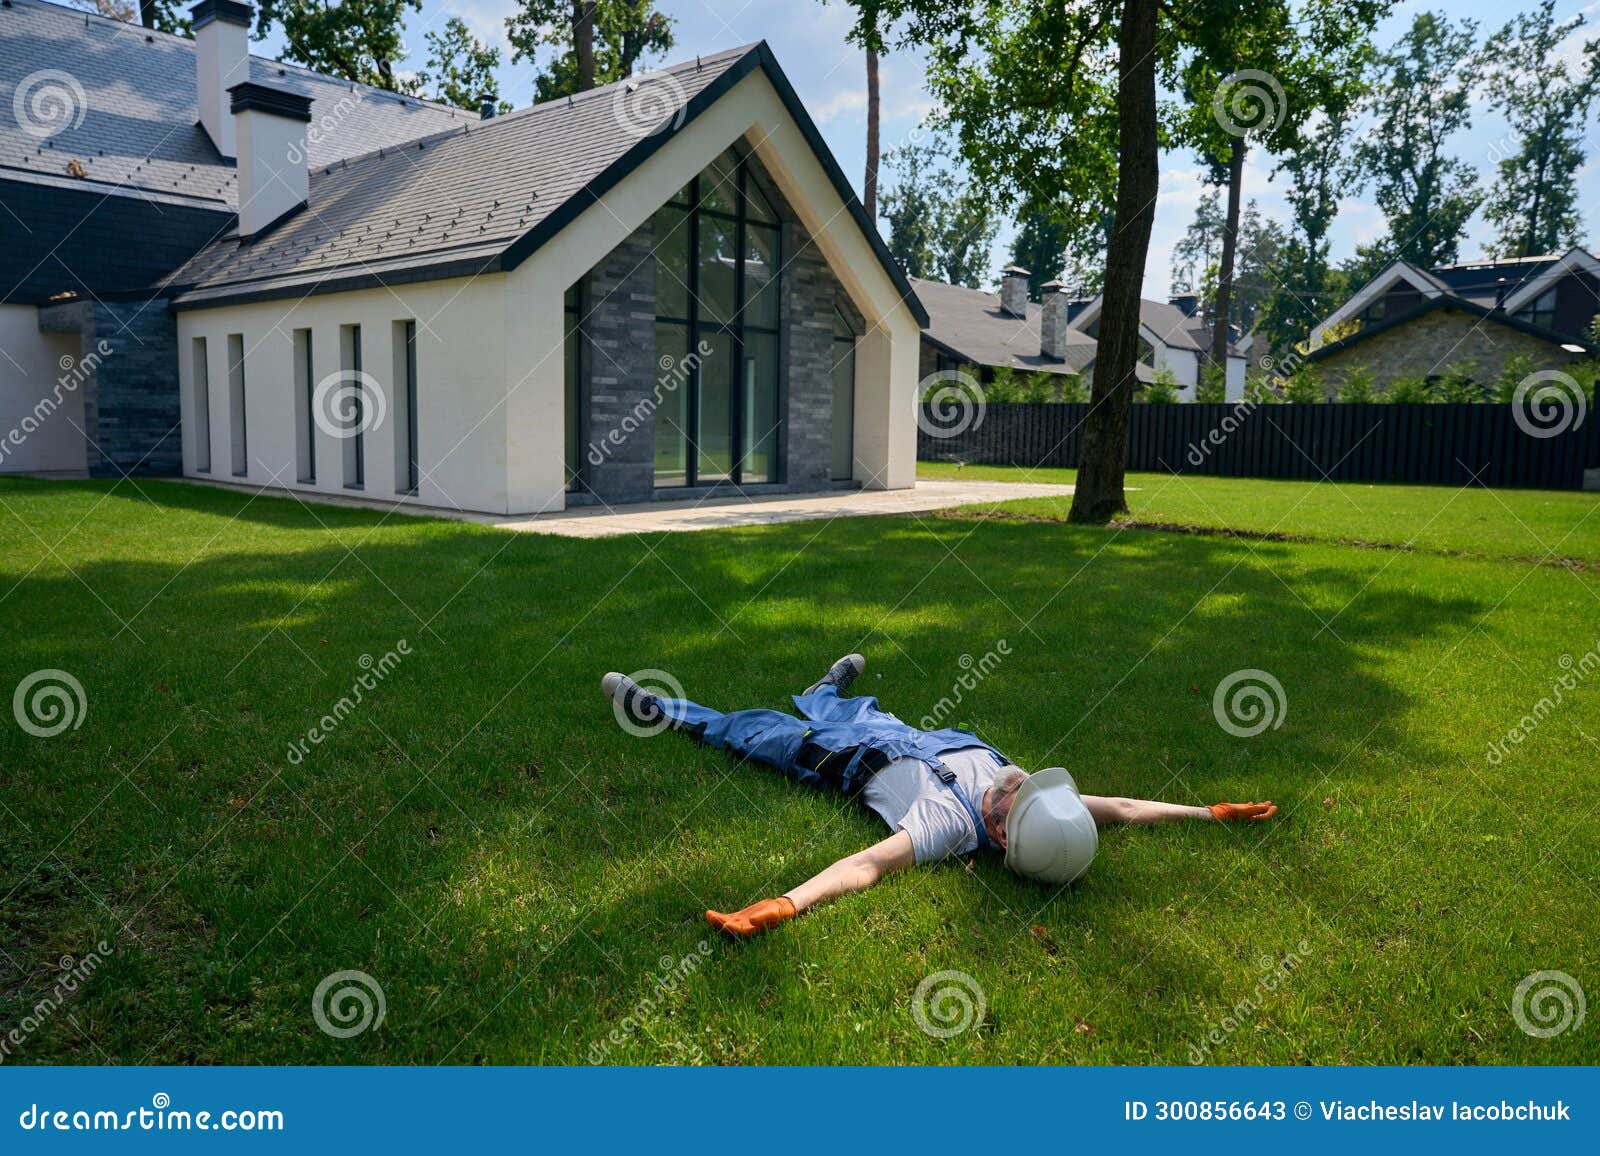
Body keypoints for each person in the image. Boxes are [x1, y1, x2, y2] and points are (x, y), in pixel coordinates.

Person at [601, 655, 1277, 938]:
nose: (1020, 780)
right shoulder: (1042, 805)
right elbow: (1126, 810)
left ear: (1005, 838)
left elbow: (866, 866)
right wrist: (1209, 813)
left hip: (832, 761)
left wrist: (784, 903)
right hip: (893, 730)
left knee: (747, 729)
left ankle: (660, 707)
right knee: (850, 703)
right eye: (1031, 783)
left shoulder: (950, 827)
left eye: (1020, 799)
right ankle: (825, 687)